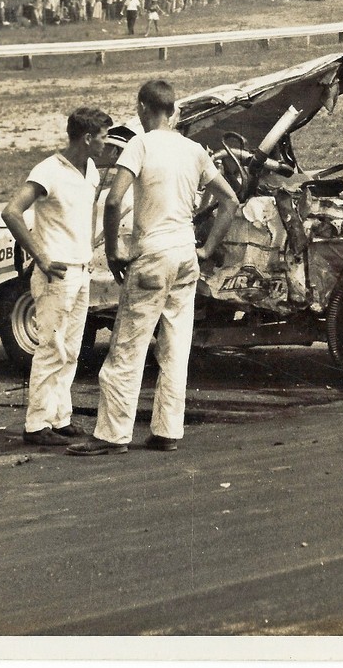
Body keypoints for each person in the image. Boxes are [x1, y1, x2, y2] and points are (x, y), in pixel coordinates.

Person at [68, 80, 239, 455]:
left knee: (127, 348)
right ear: (172, 110)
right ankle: (167, 431)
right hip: (185, 256)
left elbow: (114, 202)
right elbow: (230, 201)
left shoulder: (140, 145)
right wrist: (207, 248)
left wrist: (113, 251)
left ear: (145, 107)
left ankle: (111, 435)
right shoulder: (193, 150)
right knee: (175, 348)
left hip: (152, 256)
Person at [2, 107, 114, 446]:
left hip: (81, 271)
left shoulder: (91, 169)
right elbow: (11, 212)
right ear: (87, 138)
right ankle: (36, 425)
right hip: (56, 275)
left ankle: (59, 418)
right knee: (51, 347)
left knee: (71, 349)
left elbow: (91, 208)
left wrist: (88, 245)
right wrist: (42, 257)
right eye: (104, 137)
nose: (107, 144)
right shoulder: (48, 171)